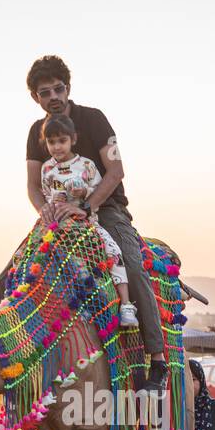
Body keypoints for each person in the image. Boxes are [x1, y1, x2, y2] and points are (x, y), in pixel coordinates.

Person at [9, 55, 169, 390]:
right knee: (9, 276)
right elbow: (32, 185)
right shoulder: (35, 133)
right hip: (57, 216)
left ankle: (156, 359)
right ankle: (21, 368)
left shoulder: (94, 119)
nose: (53, 96)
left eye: (58, 88)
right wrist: (46, 211)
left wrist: (87, 206)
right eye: (44, 92)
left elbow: (116, 172)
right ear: (35, 98)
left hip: (105, 209)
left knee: (133, 266)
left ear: (68, 88)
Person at [39, 115, 139, 330]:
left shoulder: (86, 165)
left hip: (86, 224)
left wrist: (83, 192)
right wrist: (51, 204)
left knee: (113, 252)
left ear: (73, 139)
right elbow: (46, 194)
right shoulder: (47, 169)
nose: (57, 147)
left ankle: (126, 304)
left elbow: (97, 188)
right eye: (51, 142)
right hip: (58, 226)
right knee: (31, 259)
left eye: (62, 141)